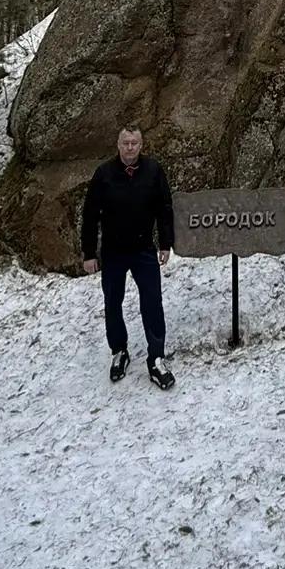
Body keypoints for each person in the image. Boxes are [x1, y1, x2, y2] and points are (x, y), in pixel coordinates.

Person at [81, 125, 176, 390]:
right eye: (125, 143)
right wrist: (89, 253)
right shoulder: (104, 174)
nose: (130, 148)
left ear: (141, 145)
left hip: (144, 248)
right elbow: (90, 215)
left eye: (134, 143)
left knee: (152, 302)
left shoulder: (154, 171)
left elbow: (164, 209)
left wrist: (166, 243)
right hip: (113, 252)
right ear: (118, 144)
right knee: (113, 302)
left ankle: (156, 357)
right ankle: (119, 351)